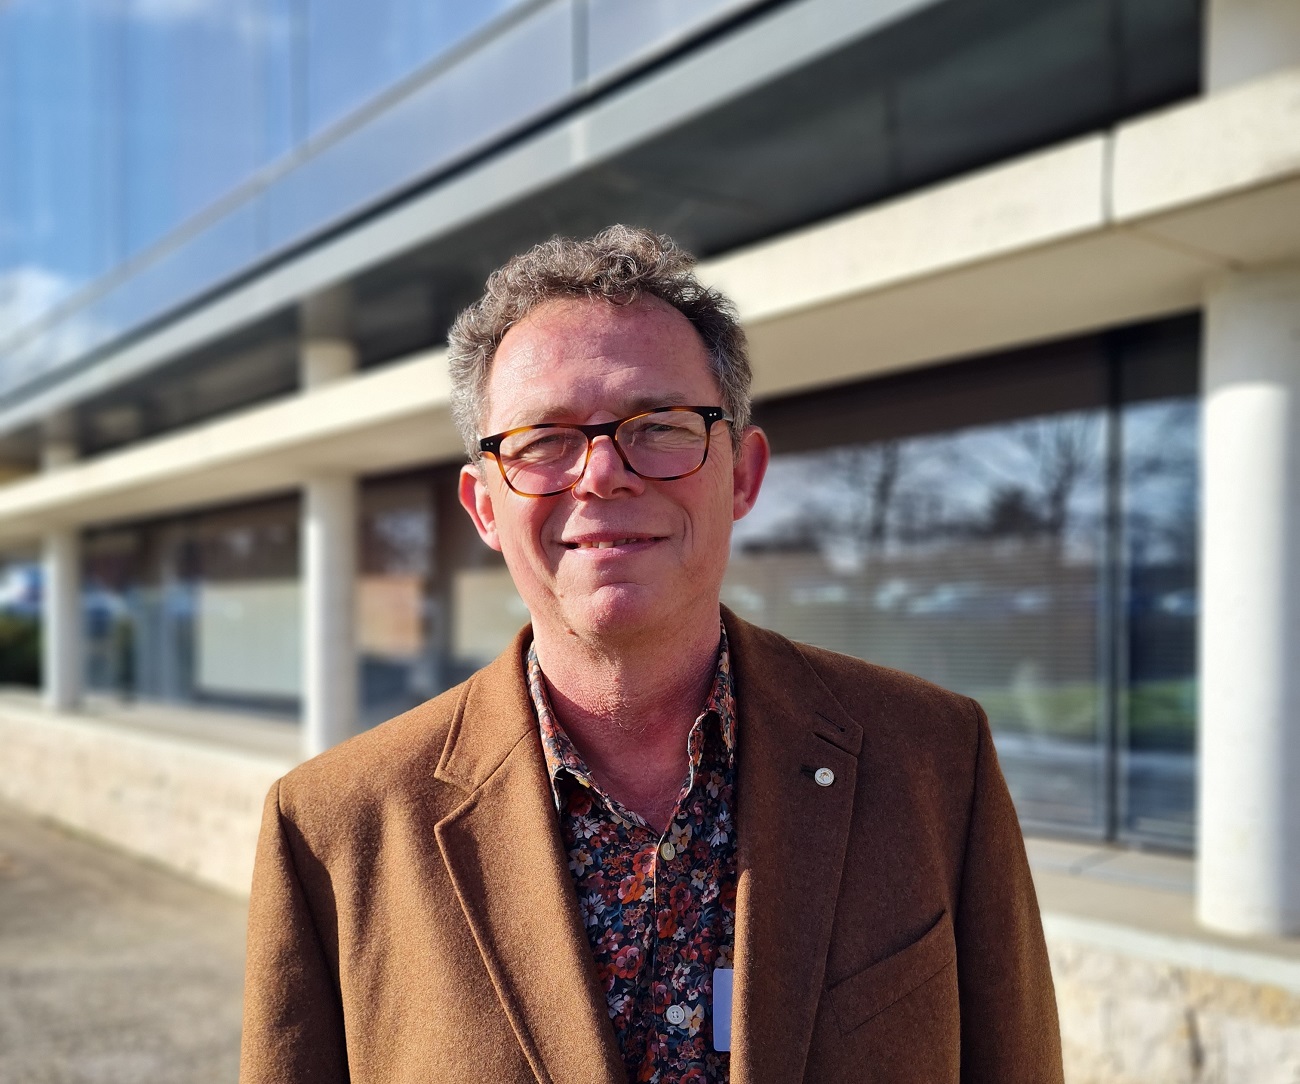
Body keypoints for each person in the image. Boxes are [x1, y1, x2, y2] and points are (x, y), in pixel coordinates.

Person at [240, 225, 1063, 1084]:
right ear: (484, 506)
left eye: (660, 426)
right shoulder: (334, 829)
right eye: (542, 440)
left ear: (741, 475)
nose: (601, 474)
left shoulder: (933, 760)